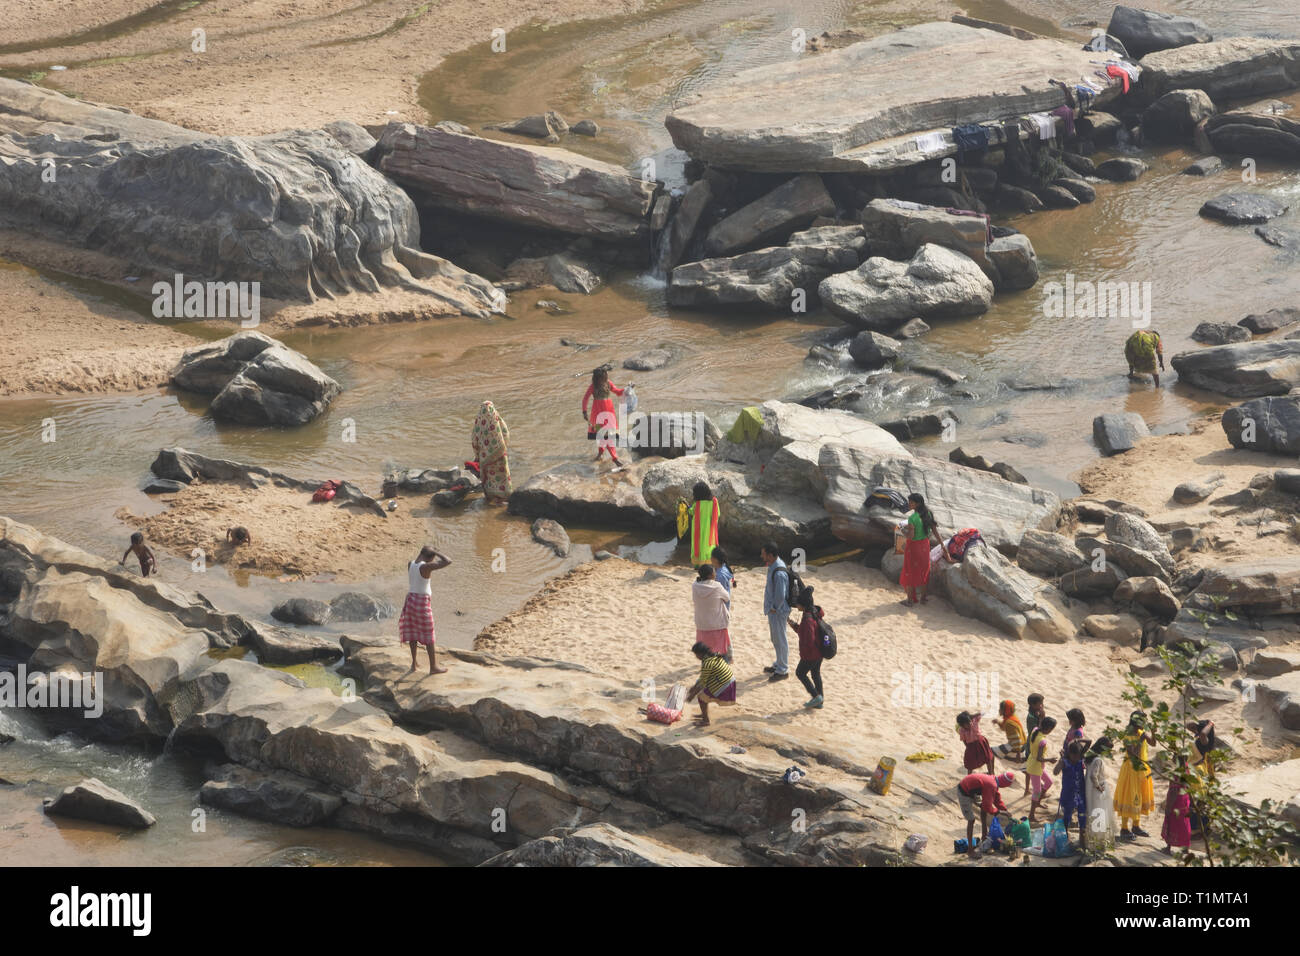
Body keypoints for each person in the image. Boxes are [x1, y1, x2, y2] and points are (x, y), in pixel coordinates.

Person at [399, 545, 451, 675]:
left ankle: (414, 664)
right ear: (430, 557)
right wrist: (437, 552)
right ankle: (433, 667)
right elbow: (448, 561)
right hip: (421, 602)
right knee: (429, 634)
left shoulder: (410, 564)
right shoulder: (425, 567)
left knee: (412, 632)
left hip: (410, 600)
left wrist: (430, 553)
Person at [1115, 710, 1156, 841]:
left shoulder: (1140, 732)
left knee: (1139, 796)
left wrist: (1153, 732)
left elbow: (1153, 743)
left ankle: (1136, 826)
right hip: (1131, 770)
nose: (1144, 723)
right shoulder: (1128, 736)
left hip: (1142, 770)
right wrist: (1141, 739)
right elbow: (1134, 754)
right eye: (1142, 721)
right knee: (1129, 797)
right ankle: (1124, 828)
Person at [898, 493, 946, 605]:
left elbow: (910, 536)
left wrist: (902, 529)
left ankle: (910, 601)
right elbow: (934, 531)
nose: (909, 504)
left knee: (910, 572)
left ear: (918, 504)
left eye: (911, 502)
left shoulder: (912, 518)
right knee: (924, 571)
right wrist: (942, 544)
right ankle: (923, 598)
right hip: (924, 546)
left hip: (913, 547)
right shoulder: (928, 514)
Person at [957, 770, 1016, 856]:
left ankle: (984, 835)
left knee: (983, 808)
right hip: (964, 791)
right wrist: (999, 812)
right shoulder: (991, 785)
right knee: (971, 820)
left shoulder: (994, 781)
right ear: (1005, 784)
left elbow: (997, 800)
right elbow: (988, 807)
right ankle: (970, 850)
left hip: (973, 790)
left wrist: (1005, 811)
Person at [788, 586, 824, 709]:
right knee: (815, 674)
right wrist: (794, 625)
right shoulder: (812, 612)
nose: (796, 605)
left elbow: (808, 639)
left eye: (798, 604)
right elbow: (803, 632)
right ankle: (820, 701)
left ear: (803, 605)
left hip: (811, 654)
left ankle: (816, 696)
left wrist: (805, 655)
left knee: (800, 673)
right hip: (819, 652)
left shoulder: (807, 619)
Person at [582, 367, 626, 466]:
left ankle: (601, 453)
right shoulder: (593, 386)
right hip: (597, 414)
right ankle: (614, 458)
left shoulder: (608, 383)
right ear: (598, 378)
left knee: (606, 435)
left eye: (606, 375)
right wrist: (584, 412)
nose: (606, 376)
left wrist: (627, 389)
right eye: (604, 376)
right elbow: (585, 399)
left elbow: (618, 392)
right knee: (604, 435)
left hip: (609, 412)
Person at [685, 641, 736, 726]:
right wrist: (694, 687)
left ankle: (705, 720)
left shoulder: (707, 663)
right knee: (704, 696)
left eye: (696, 655)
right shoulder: (713, 656)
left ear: (700, 654)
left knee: (701, 697)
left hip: (724, 684)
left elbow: (702, 683)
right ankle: (704, 714)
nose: (696, 657)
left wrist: (692, 695)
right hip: (728, 680)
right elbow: (703, 677)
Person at [471, 400, 512, 505]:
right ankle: (504, 497)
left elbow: (474, 440)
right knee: (502, 475)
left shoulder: (478, 422)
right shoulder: (497, 418)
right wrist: (503, 447)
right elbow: (506, 433)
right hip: (499, 454)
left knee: (490, 477)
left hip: (485, 456)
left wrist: (477, 455)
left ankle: (490, 498)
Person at [760, 542, 791, 682]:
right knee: (776, 638)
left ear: (771, 555)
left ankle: (783, 669)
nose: (761, 555)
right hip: (774, 610)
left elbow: (780, 594)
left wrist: (773, 607)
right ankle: (779, 664)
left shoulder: (779, 572)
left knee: (780, 639)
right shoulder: (774, 565)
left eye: (764, 553)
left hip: (778, 611)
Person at [692, 564, 732, 663]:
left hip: (702, 624)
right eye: (714, 572)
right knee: (721, 650)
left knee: (705, 651)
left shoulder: (695, 586)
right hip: (717, 623)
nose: (715, 573)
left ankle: (707, 667)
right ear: (710, 575)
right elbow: (727, 598)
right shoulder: (717, 586)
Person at [1084, 737, 1118, 854]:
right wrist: (1099, 787)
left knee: (1094, 814)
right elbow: (1094, 776)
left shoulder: (1090, 757)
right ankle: (1098, 843)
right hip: (1097, 791)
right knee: (1100, 814)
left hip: (1090, 791)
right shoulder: (1098, 760)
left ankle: (1093, 842)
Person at [1058, 738, 1089, 851]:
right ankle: (1065, 837)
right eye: (1074, 756)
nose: (1076, 758)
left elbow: (1089, 742)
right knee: (1067, 816)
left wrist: (1076, 740)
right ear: (1070, 754)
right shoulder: (1065, 762)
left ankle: (1082, 840)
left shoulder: (1081, 759)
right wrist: (1061, 760)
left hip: (1080, 793)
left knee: (1082, 816)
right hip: (1068, 794)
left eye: (1078, 756)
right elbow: (1055, 772)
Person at [1026, 716, 1056, 823]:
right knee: (1037, 791)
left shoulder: (1035, 730)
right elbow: (1039, 758)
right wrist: (1050, 759)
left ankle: (1037, 802)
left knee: (1049, 782)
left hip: (1033, 763)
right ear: (1049, 729)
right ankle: (1031, 815)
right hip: (1035, 767)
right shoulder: (1042, 741)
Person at [1161, 756, 1193, 855]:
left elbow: (1174, 791)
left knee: (1172, 822)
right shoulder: (1186, 769)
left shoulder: (1177, 774)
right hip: (1184, 800)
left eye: (1174, 756)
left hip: (1176, 802)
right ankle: (1185, 847)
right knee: (1184, 823)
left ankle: (1168, 847)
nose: (1172, 758)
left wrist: (1169, 806)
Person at [689, 481, 720, 567]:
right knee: (709, 546)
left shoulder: (698, 503)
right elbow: (718, 514)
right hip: (711, 530)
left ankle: (699, 565)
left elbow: (692, 512)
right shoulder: (714, 502)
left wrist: (688, 508)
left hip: (699, 529)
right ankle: (710, 563)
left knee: (698, 545)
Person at [957, 710, 995, 774]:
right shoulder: (961, 730)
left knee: (989, 758)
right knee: (970, 764)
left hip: (981, 743)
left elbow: (983, 712)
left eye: (969, 721)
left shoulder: (974, 721)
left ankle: (991, 773)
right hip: (971, 746)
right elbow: (964, 740)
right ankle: (969, 777)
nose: (969, 724)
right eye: (966, 723)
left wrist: (972, 716)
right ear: (962, 725)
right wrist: (968, 748)